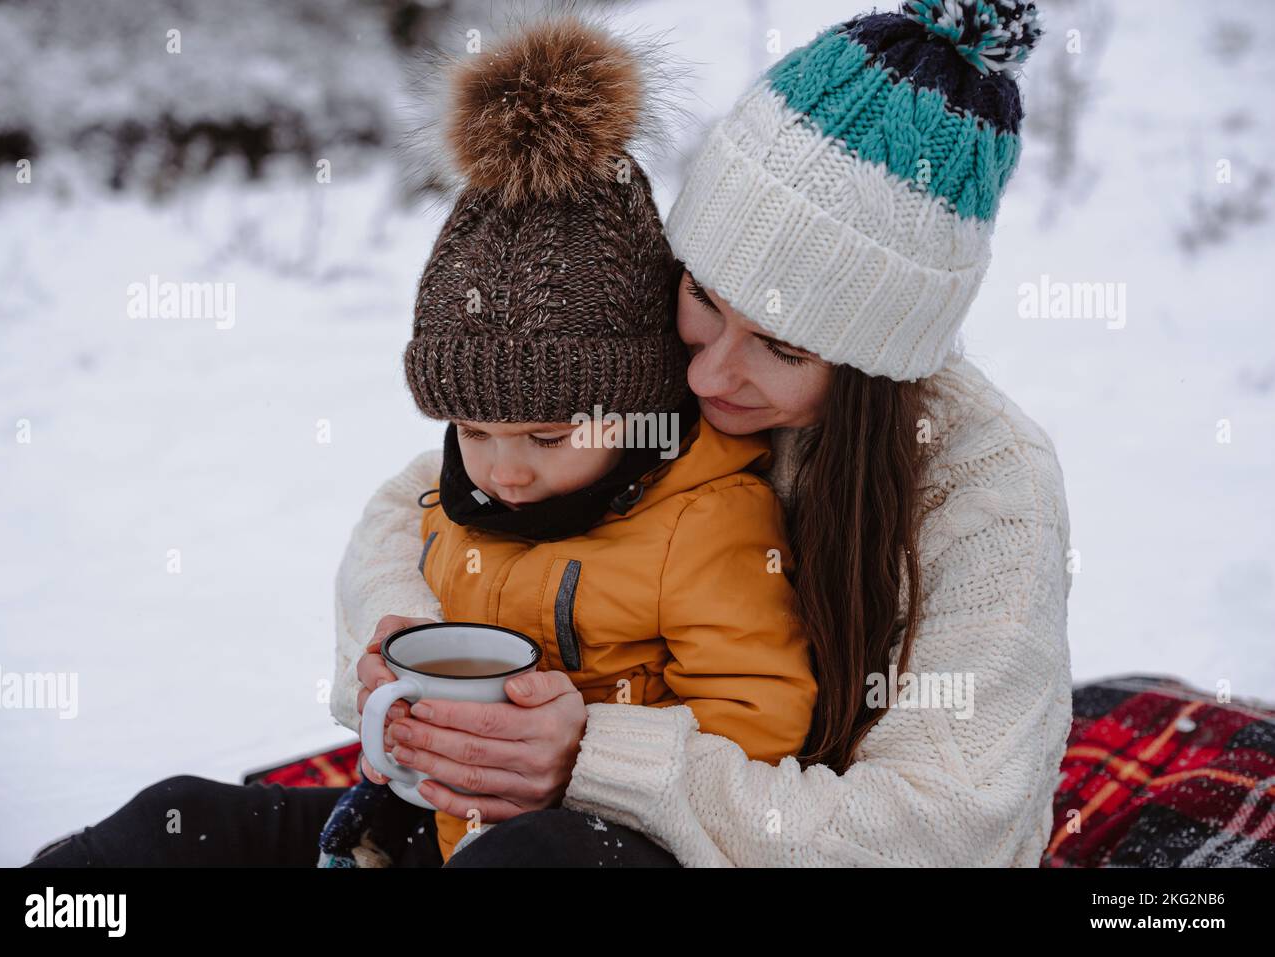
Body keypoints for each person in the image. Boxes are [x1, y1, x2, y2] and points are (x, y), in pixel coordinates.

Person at [335, 0, 1074, 867]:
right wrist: (418, 653)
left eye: (783, 346)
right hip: (536, 819)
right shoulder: (665, 374)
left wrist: (590, 759)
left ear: (877, 363)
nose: (709, 376)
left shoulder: (989, 490)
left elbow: (945, 831)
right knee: (184, 821)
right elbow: (423, 494)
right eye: (704, 300)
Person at [317, 15, 816, 867]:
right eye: (472, 428)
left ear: (642, 401)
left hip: (613, 842)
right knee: (172, 816)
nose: (505, 468)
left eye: (549, 433)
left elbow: (759, 721)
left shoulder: (706, 521)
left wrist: (584, 752)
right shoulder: (457, 502)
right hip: (442, 822)